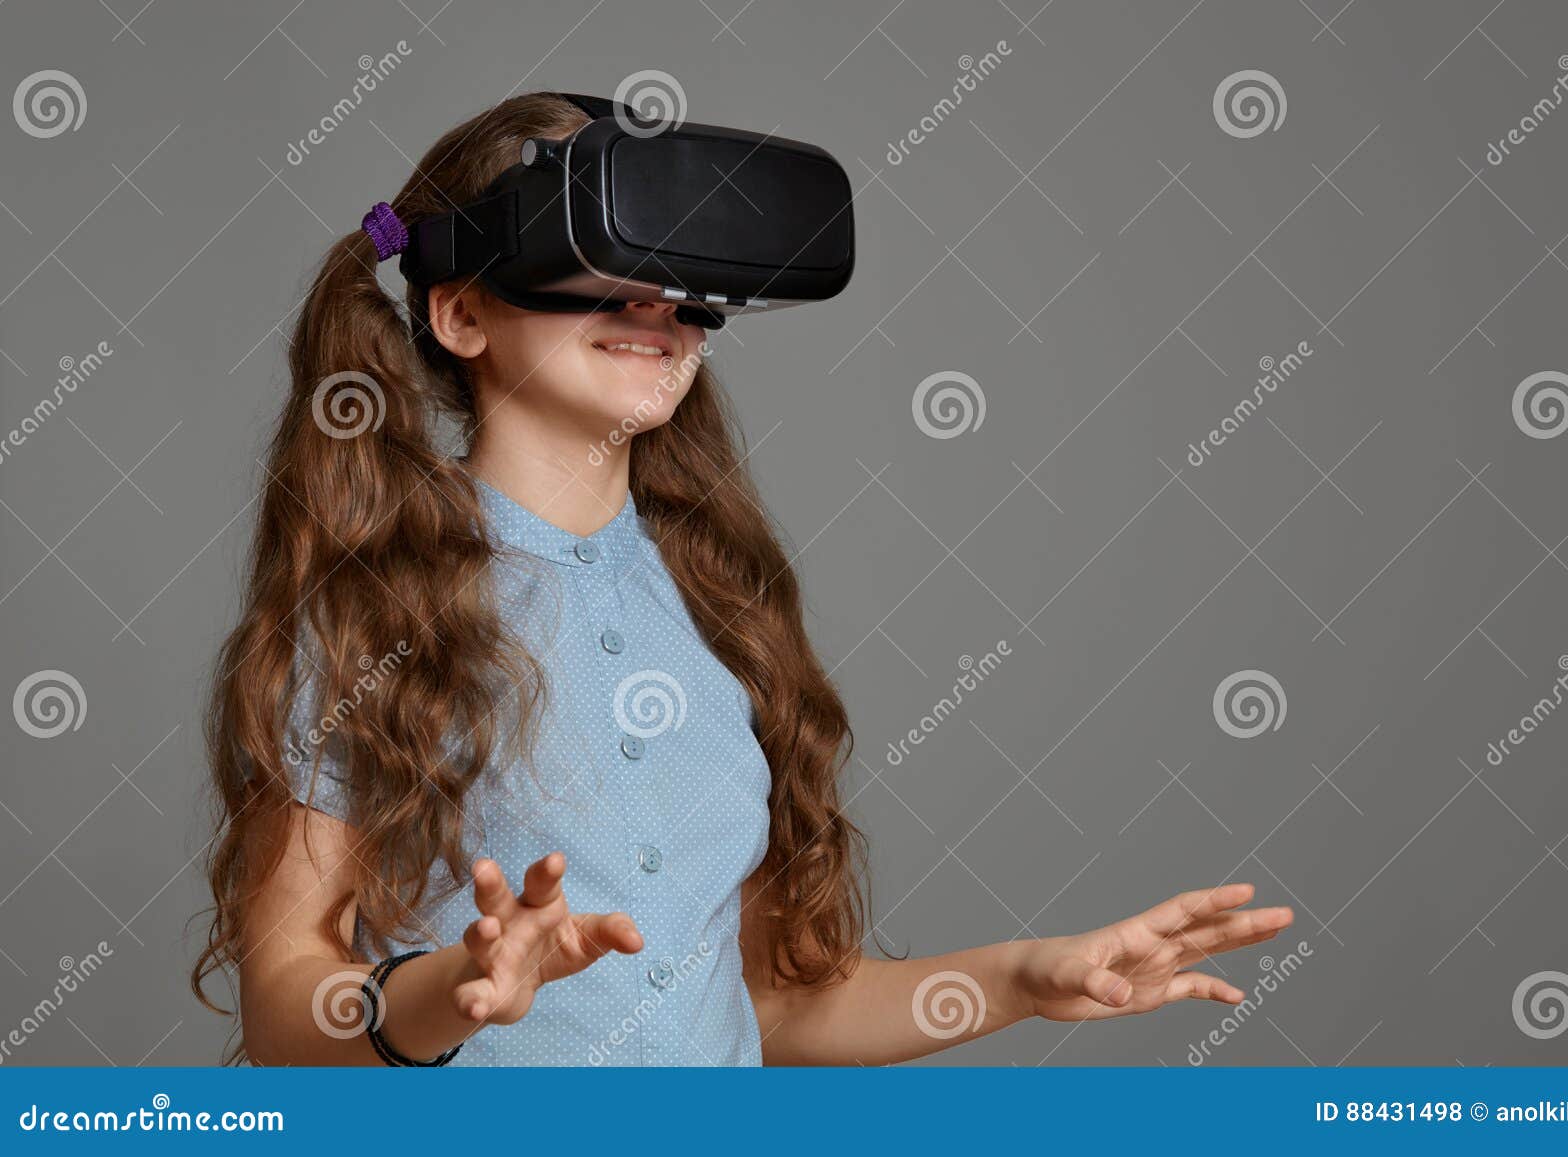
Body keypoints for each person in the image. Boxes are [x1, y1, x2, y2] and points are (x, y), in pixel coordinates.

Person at [192, 92, 1292, 1066]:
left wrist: (1025, 978)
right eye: (602, 276)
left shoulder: (721, 608)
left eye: (679, 289)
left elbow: (775, 1003)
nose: (654, 311)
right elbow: (290, 1007)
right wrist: (453, 991)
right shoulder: (369, 615)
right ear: (463, 311)